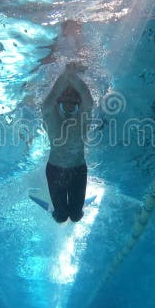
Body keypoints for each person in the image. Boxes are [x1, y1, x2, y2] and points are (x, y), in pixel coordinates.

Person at [42, 62, 93, 223]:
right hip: (55, 171)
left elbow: (87, 99)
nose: (70, 104)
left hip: (78, 170)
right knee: (61, 217)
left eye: (74, 101)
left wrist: (72, 76)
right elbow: (48, 102)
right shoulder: (51, 116)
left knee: (76, 216)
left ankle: (73, 210)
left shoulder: (83, 119)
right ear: (59, 99)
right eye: (66, 99)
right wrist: (66, 75)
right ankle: (54, 210)